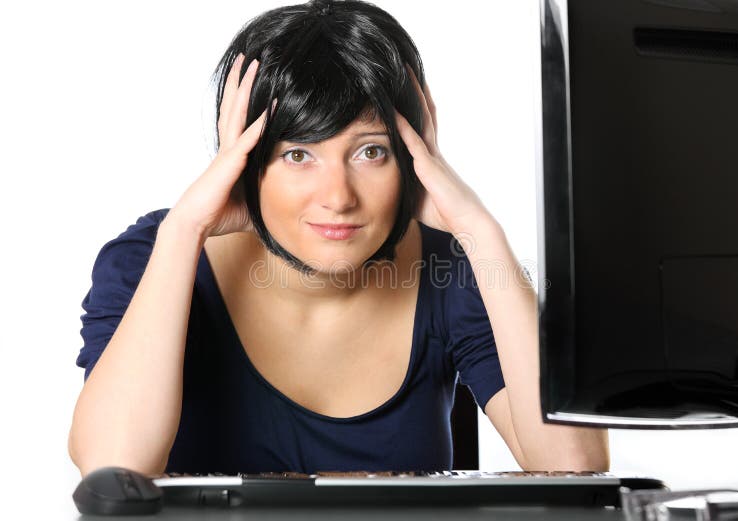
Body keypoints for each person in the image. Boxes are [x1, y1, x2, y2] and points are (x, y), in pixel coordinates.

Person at [68, 0, 609, 478]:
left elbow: (576, 466)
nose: (338, 196)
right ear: (245, 161)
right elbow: (115, 465)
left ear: (411, 155)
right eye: (298, 154)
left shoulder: (450, 271)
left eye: (370, 151)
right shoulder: (151, 259)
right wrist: (185, 231)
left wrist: (479, 230)